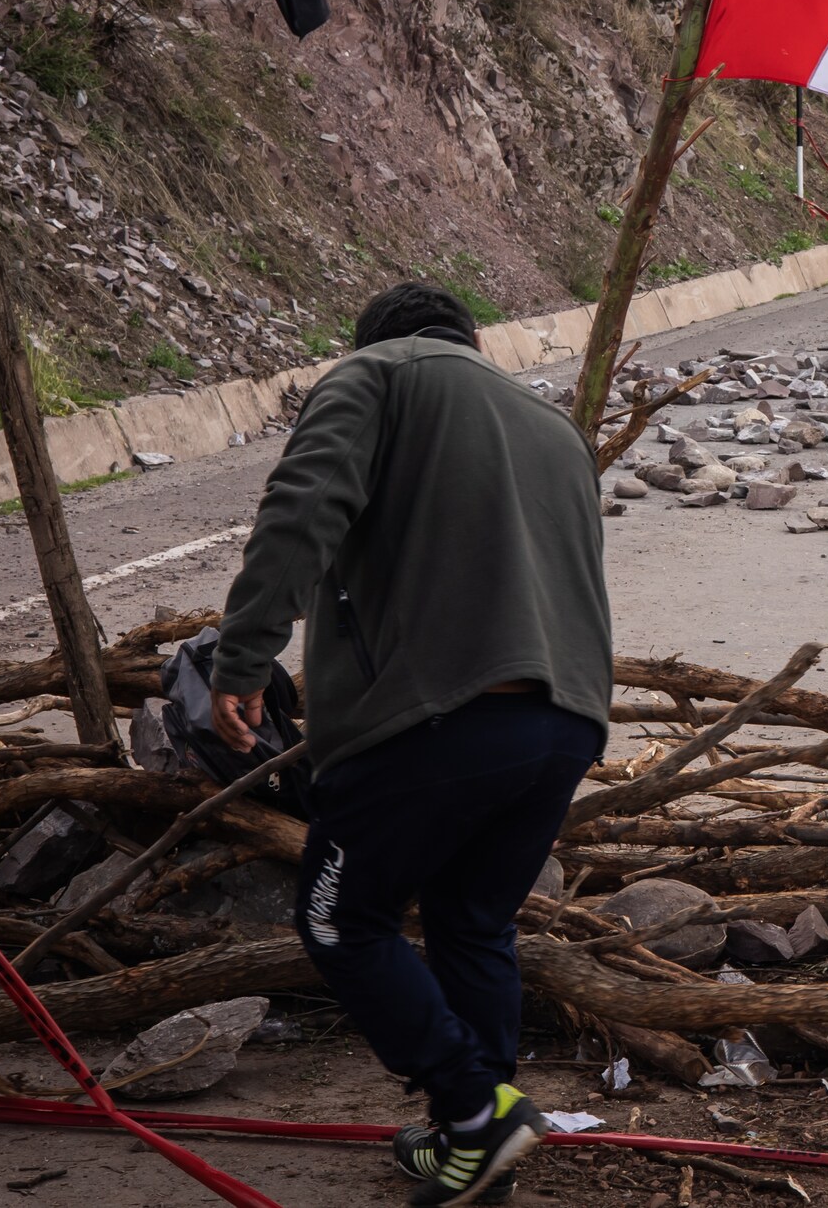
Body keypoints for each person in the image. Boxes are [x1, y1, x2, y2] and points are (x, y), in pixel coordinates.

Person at [209, 282, 611, 1207]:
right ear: (470, 341)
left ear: (376, 342)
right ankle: (473, 1141)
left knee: (340, 917)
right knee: (473, 920)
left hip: (438, 718)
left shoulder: (376, 376)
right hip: (564, 722)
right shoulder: (553, 426)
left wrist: (243, 657)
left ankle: (475, 1111)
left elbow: (300, 511)